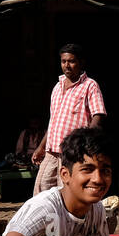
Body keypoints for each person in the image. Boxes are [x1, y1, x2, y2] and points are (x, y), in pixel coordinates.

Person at [32, 44, 107, 195]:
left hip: (73, 152)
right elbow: (53, 121)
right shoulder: (57, 87)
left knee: (68, 193)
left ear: (81, 63)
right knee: (41, 191)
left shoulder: (89, 86)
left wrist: (85, 144)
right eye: (63, 61)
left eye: (71, 61)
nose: (67, 65)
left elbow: (98, 116)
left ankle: (69, 220)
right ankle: (48, 219)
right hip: (51, 152)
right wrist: (41, 147)